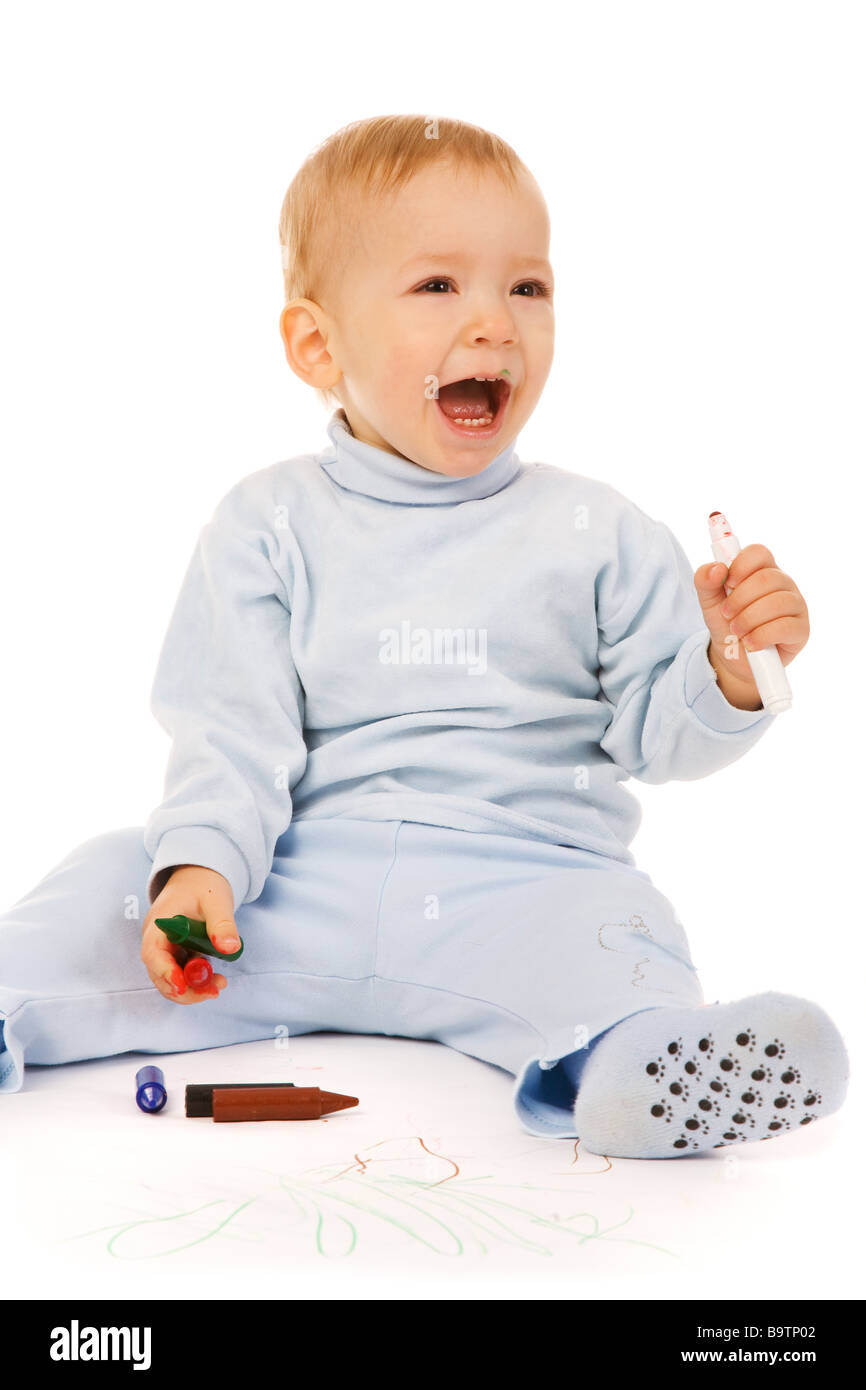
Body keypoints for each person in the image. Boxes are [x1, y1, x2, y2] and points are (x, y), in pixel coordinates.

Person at [0, 114, 848, 1157]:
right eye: (439, 286)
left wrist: (725, 669)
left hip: (523, 882)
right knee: (107, 883)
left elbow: (652, 737)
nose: (495, 323)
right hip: (286, 881)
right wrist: (202, 870)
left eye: (526, 288)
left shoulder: (600, 531)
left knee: (618, 934)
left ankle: (641, 1062)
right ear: (318, 344)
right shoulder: (266, 522)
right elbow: (230, 729)